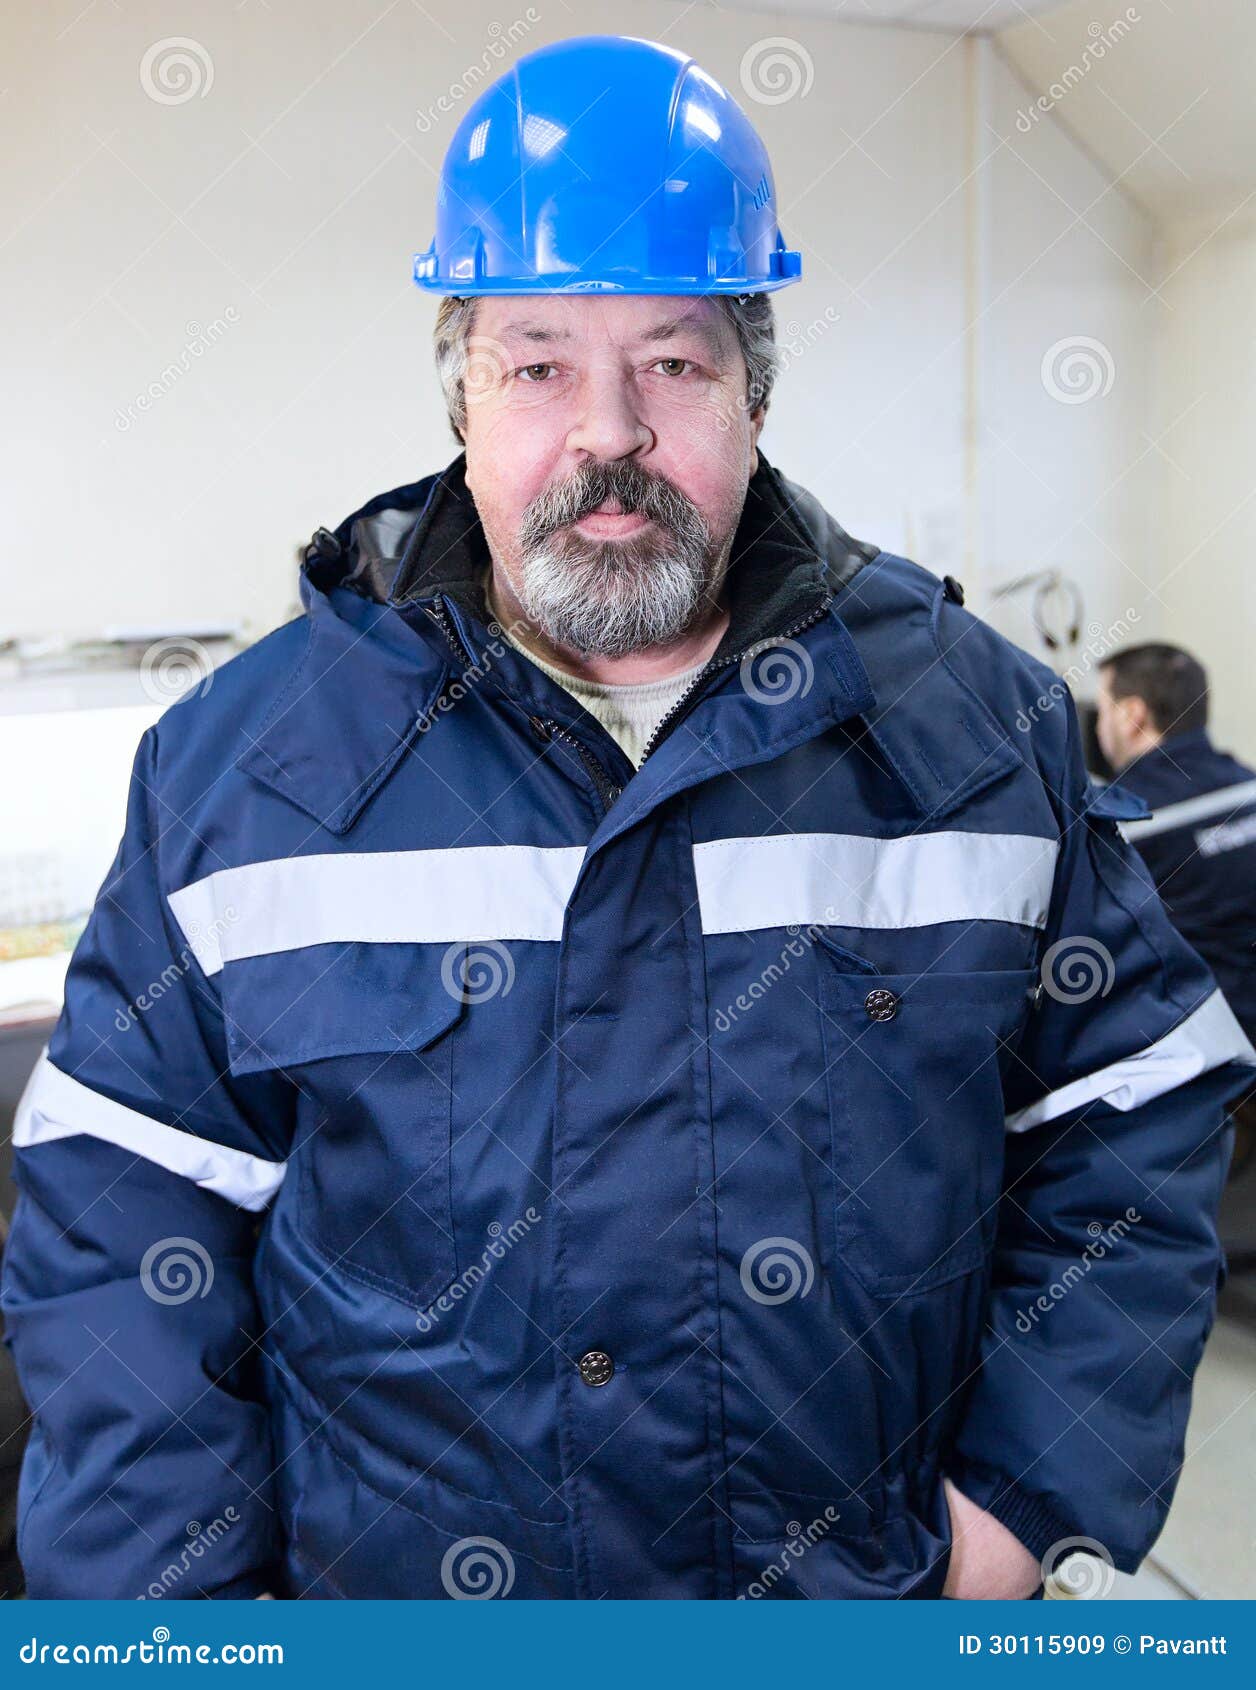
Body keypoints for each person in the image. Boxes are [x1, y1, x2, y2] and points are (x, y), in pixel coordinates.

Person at [3, 34, 1253, 1602]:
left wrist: (1017, 1505)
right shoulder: (244, 768)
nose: (609, 432)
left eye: (673, 362)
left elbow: (1139, 1099)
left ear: (753, 393)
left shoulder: (979, 729)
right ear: (462, 393)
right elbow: (121, 1224)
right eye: (538, 363)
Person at [1097, 644, 1256, 1041]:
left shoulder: (1121, 818)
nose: (1098, 728)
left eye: (1102, 712)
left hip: (1203, 1044)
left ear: (1132, 715)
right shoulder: (1246, 786)